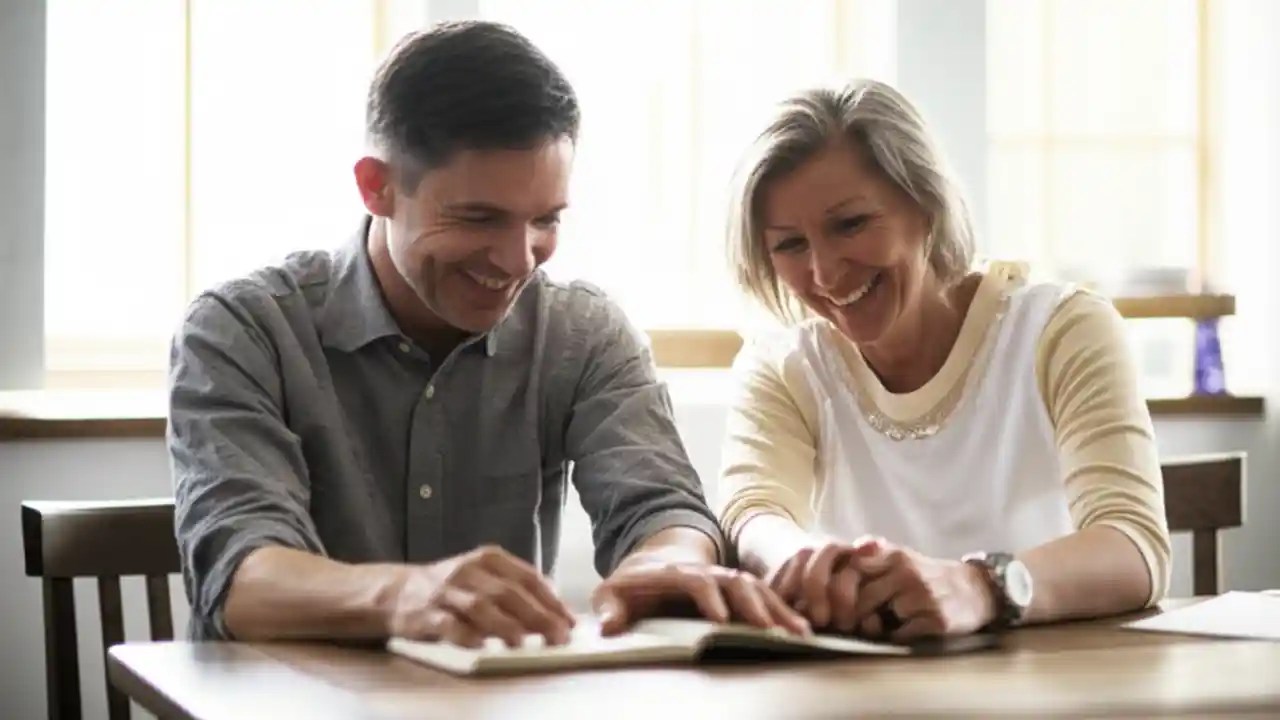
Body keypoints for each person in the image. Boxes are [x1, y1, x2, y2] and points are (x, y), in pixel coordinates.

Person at [168, 20, 807, 647]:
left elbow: (661, 507)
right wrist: (405, 595)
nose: (517, 259)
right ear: (376, 187)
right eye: (478, 218)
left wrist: (667, 563)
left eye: (545, 220)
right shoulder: (242, 331)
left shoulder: (582, 333)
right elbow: (239, 577)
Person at [718, 79, 1171, 641]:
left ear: (925, 206)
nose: (826, 275)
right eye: (790, 245)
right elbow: (753, 515)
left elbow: (1134, 546)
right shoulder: (782, 365)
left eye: (850, 224)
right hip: (865, 684)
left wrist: (981, 587)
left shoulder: (1064, 330)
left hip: (1054, 677)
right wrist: (802, 561)